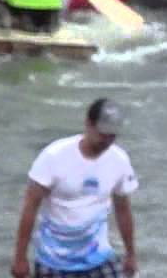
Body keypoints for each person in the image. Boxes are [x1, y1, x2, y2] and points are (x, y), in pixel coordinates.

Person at [11, 99, 139, 278]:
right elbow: (30, 206)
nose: (107, 141)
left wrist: (131, 254)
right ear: (88, 124)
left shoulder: (119, 160)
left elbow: (123, 209)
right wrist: (20, 257)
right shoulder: (54, 156)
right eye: (103, 135)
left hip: (99, 257)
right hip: (53, 261)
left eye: (112, 136)